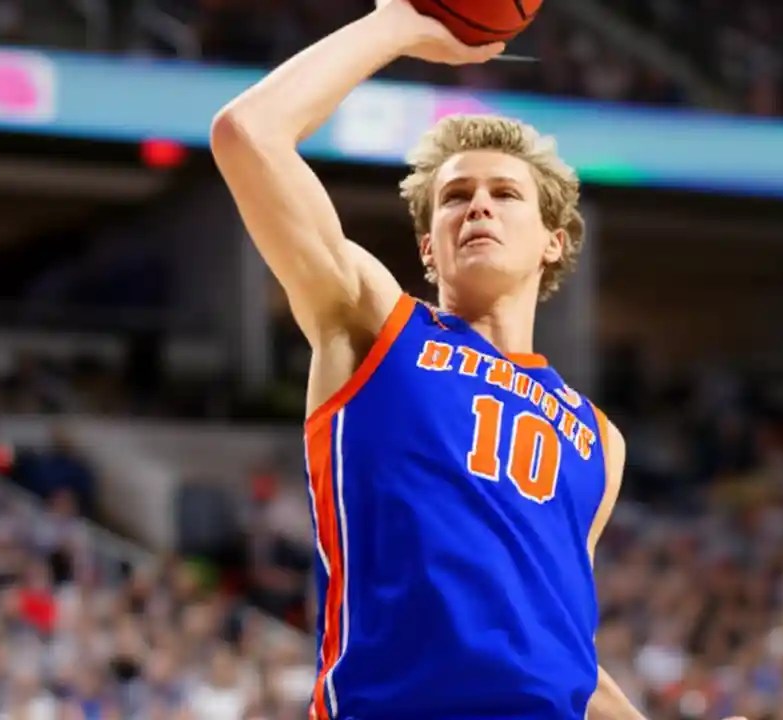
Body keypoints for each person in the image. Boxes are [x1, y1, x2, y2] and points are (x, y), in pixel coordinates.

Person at [208, 1, 640, 718]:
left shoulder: (599, 438)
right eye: (455, 198)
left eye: (505, 194)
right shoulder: (377, 324)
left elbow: (565, 657)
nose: (477, 208)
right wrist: (402, 23)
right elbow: (247, 135)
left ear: (553, 241)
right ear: (427, 248)